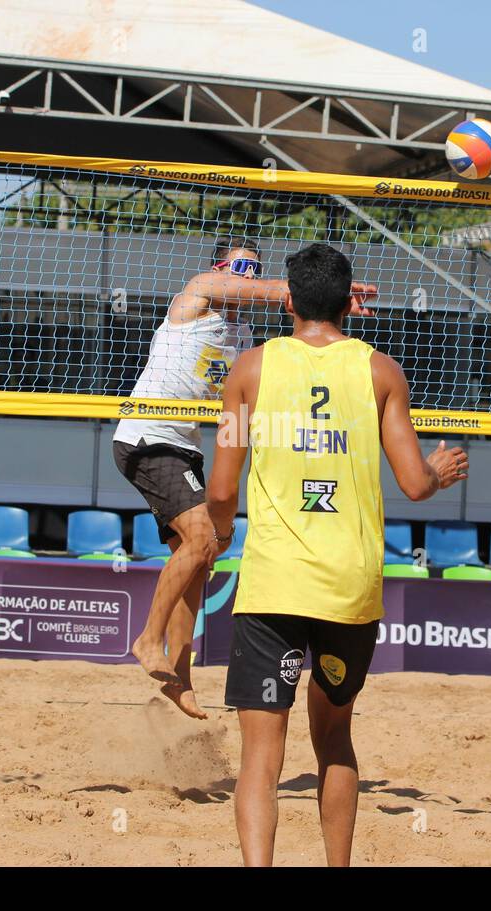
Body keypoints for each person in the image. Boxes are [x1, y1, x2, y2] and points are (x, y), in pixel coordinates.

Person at [206, 243, 468, 866]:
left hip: (273, 582)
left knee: (260, 760)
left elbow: (221, 487)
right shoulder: (380, 372)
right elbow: (412, 484)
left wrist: (215, 535)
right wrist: (437, 470)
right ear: (349, 301)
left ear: (289, 301)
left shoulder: (248, 371)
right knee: (335, 741)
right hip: (348, 586)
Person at [113, 238, 375, 719]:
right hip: (147, 437)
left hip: (185, 445)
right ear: (219, 267)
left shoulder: (245, 337)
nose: (247, 277)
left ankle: (179, 675)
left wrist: (330, 307)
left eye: (256, 269)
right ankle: (148, 639)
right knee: (200, 540)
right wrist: (316, 289)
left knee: (200, 558)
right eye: (241, 267)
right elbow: (258, 292)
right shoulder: (195, 295)